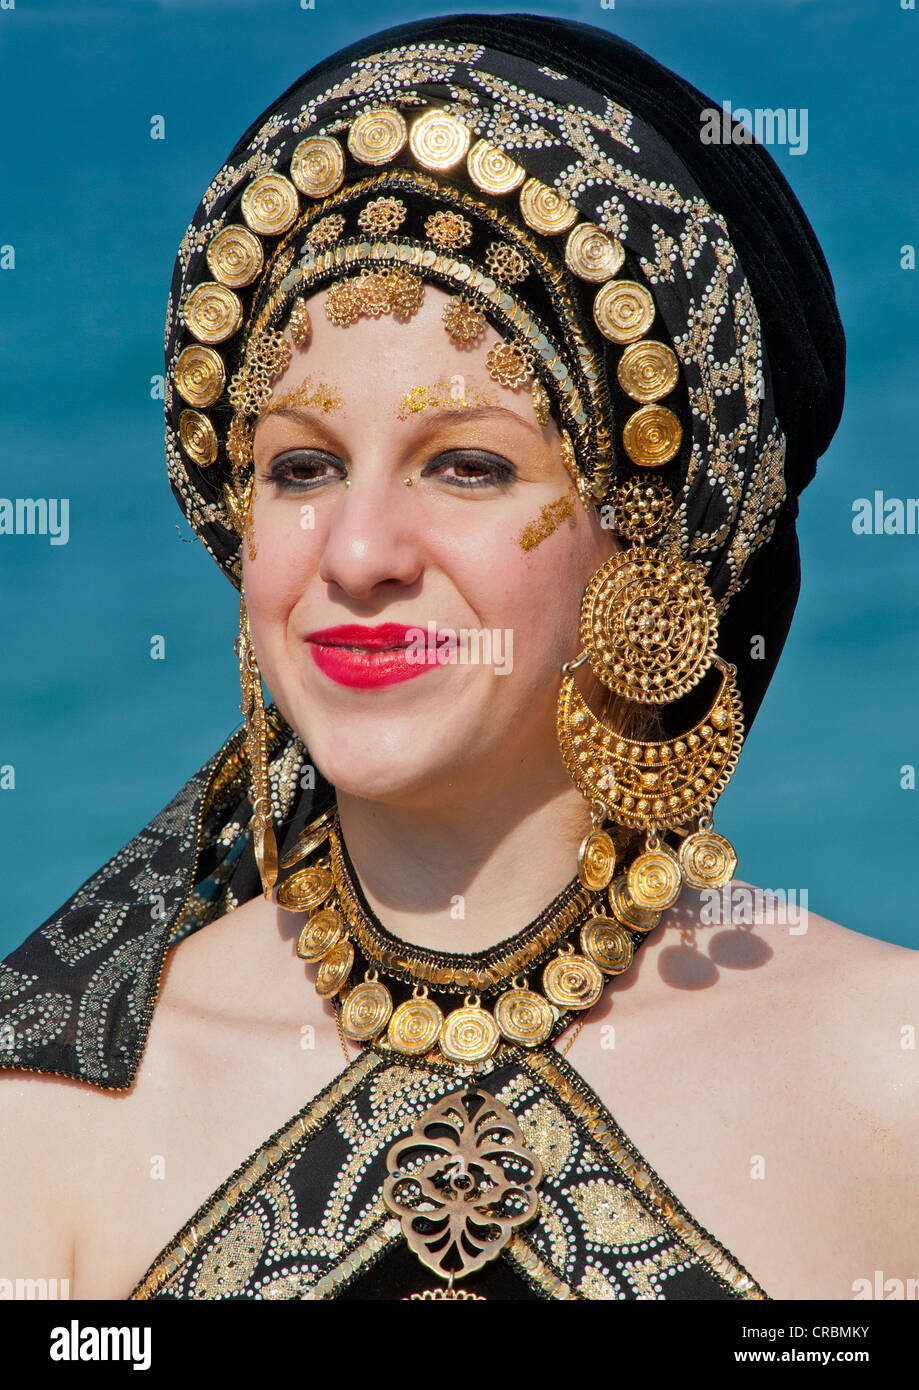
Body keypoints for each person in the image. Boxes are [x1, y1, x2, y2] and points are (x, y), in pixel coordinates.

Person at [1, 13, 916, 1303]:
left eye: (470, 466)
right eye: (302, 468)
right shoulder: (56, 1110)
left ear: (644, 541)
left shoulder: (893, 1078)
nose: (359, 550)